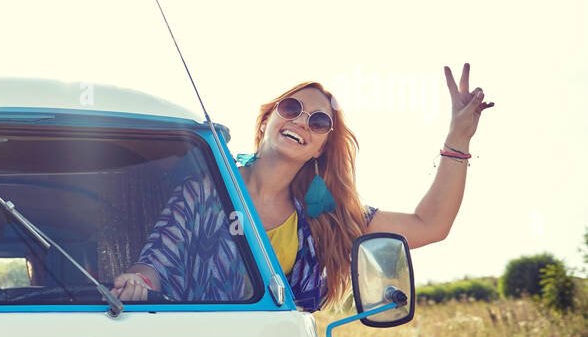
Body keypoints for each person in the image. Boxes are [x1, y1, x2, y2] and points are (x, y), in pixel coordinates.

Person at [111, 65, 493, 311]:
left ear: (322, 148)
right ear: (267, 119)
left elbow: (431, 224)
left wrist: (458, 138)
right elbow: (158, 259)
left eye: (319, 121)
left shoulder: (326, 214)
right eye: (291, 108)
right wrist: (139, 280)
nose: (302, 121)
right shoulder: (207, 189)